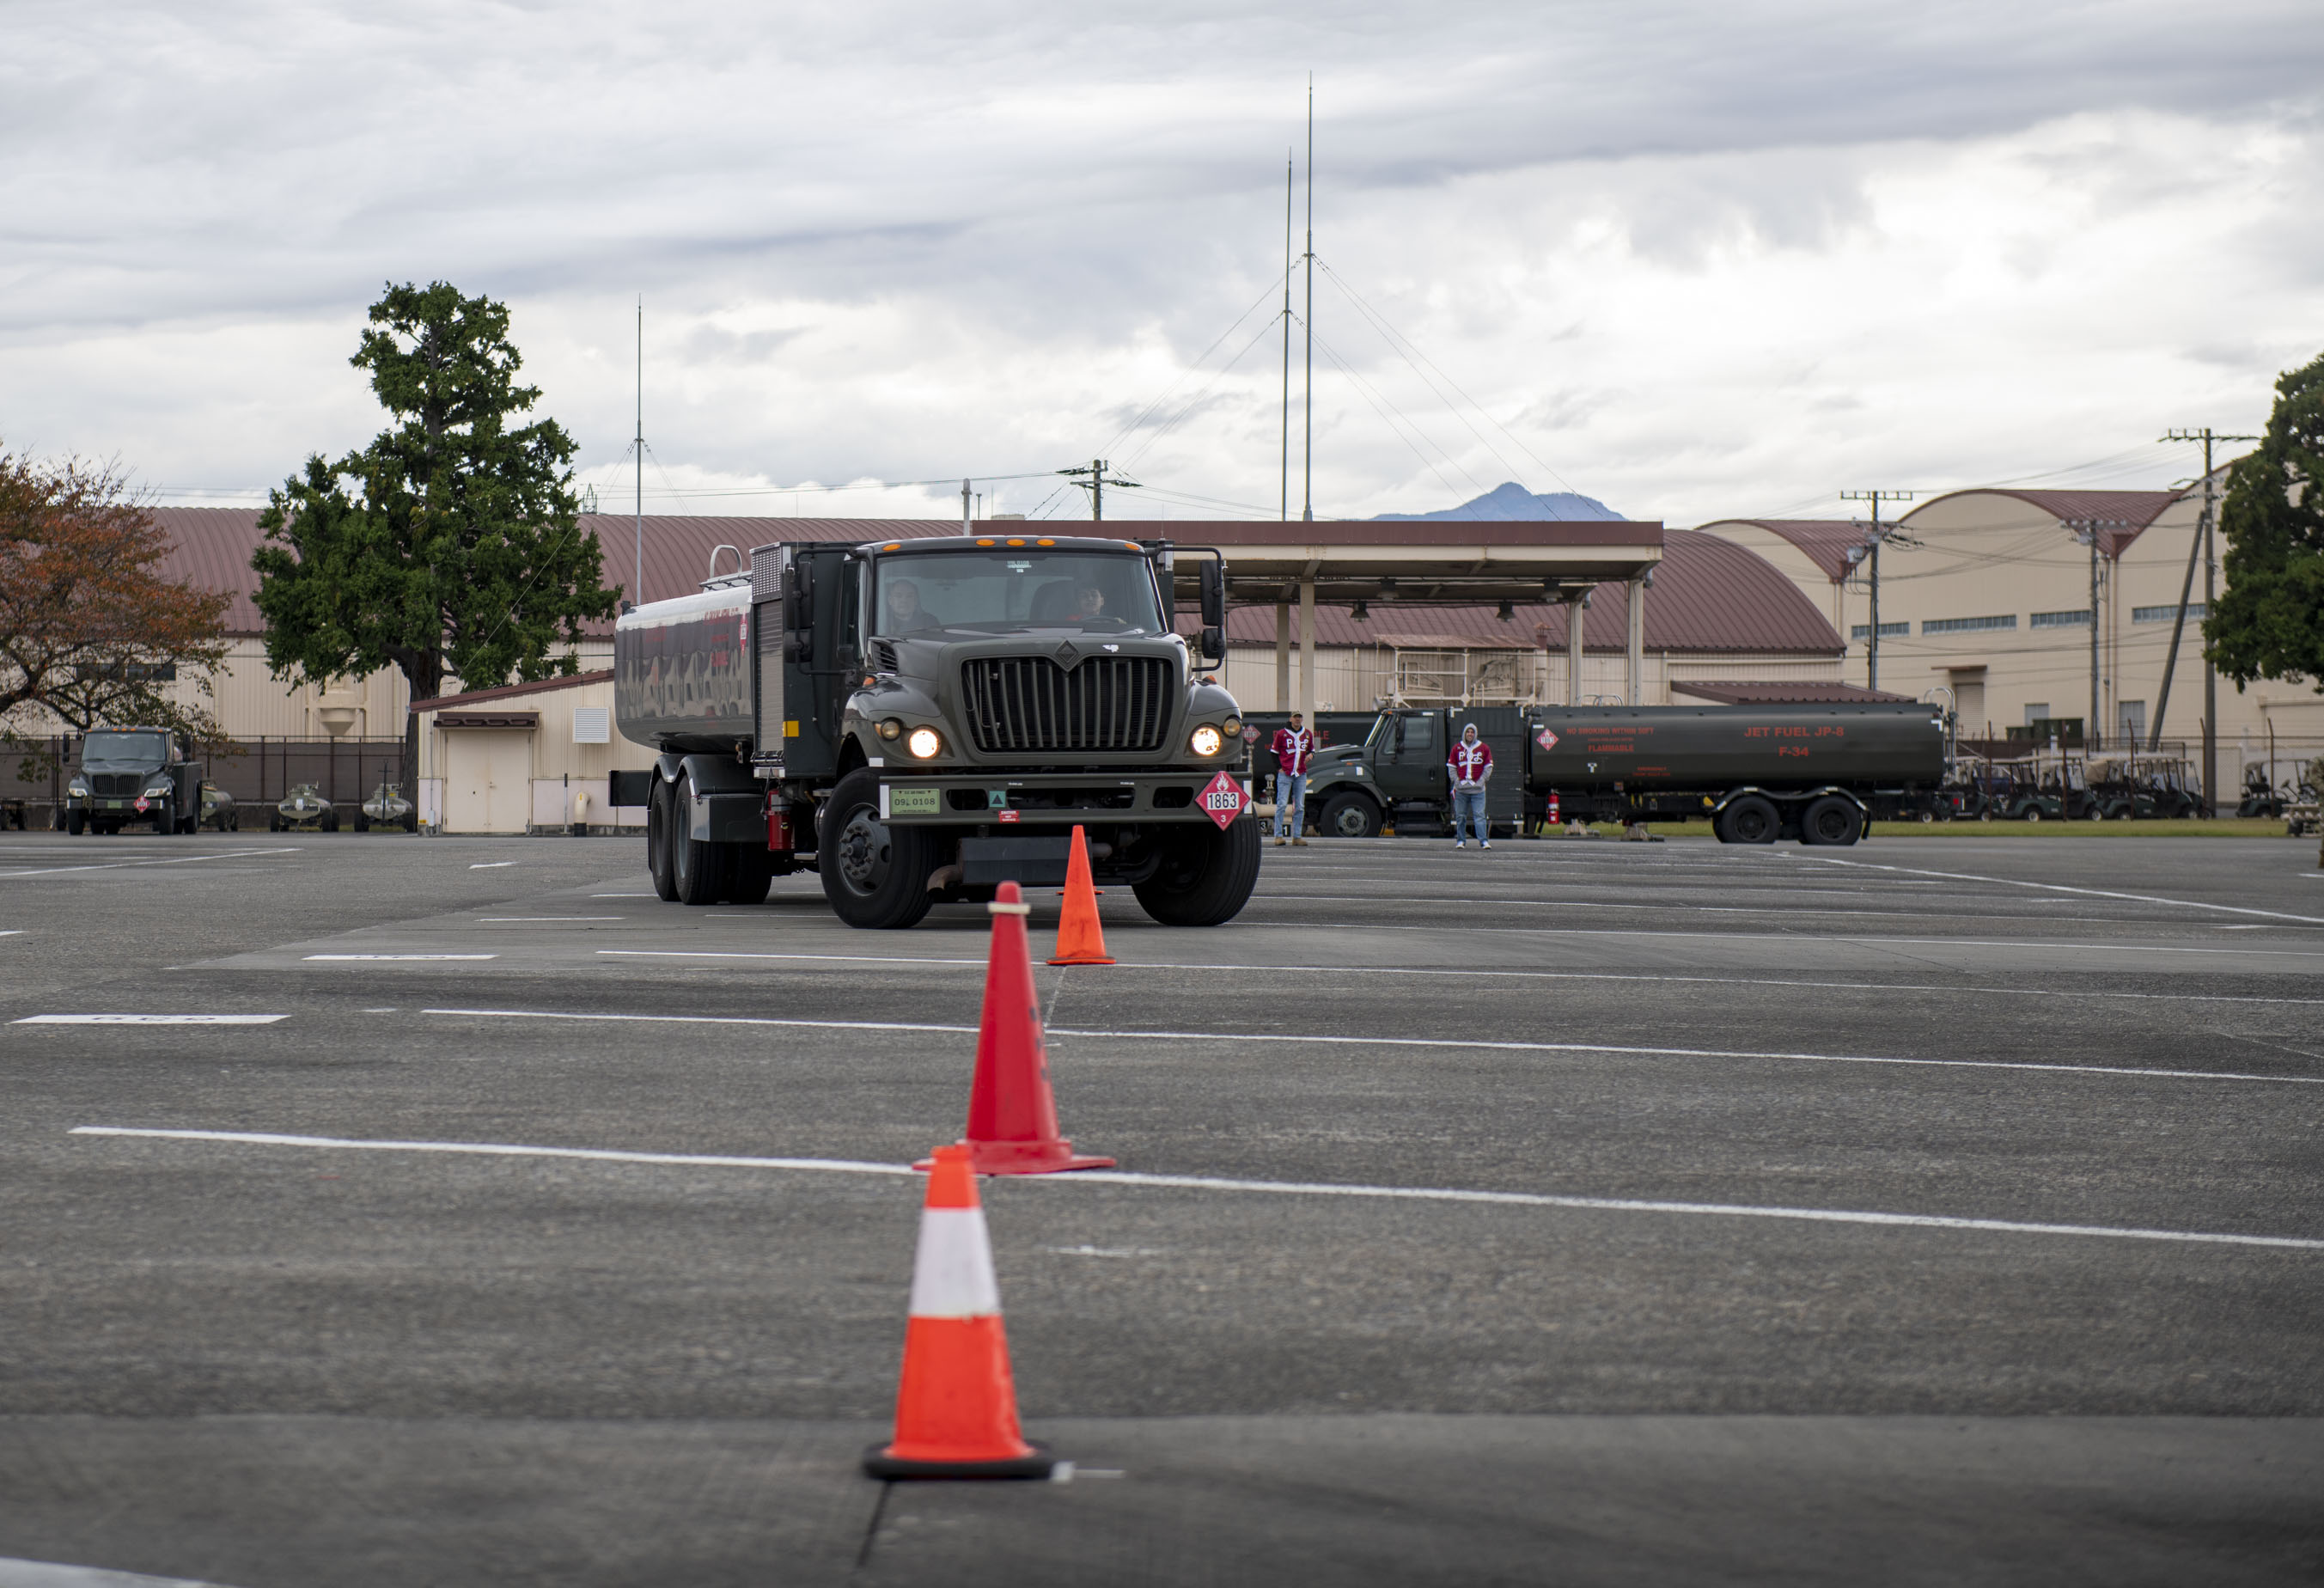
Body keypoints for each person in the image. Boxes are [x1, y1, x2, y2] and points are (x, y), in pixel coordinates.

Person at [1270, 711, 1314, 846]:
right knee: (1282, 804)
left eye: (1299, 717)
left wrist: (1311, 755)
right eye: (1295, 717)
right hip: (1286, 773)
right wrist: (1279, 768)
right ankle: (1278, 836)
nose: (1297, 720)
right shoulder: (1282, 734)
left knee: (1299, 806)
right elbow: (1274, 752)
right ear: (1291, 719)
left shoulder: (1307, 734)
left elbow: (1311, 749)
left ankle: (1297, 836)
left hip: (1300, 773)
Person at [1448, 722, 1492, 849]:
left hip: (1478, 791)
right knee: (1460, 816)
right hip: (1461, 790)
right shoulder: (1457, 748)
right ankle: (1461, 840)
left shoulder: (1484, 748)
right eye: (1468, 732)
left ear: (1475, 734)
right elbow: (1451, 767)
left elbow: (1488, 767)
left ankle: (1483, 841)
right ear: (1464, 733)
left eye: (1472, 732)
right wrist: (1457, 782)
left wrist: (1481, 781)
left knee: (1479, 816)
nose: (1470, 734)